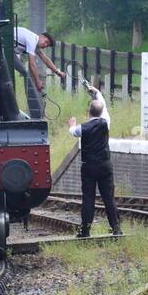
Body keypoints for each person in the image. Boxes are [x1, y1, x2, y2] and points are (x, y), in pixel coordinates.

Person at [68, 85, 121, 238]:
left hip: (89, 167)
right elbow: (102, 107)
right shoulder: (106, 122)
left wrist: (71, 124)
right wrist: (96, 92)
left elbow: (73, 132)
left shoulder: (82, 128)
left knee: (88, 199)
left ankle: (85, 231)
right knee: (108, 198)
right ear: (100, 112)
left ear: (88, 113)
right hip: (105, 166)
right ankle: (116, 229)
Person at [14, 26, 66, 119]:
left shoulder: (34, 42)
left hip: (11, 50)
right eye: (46, 42)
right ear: (41, 36)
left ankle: (33, 109)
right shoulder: (32, 39)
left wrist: (58, 72)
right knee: (25, 73)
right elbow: (32, 63)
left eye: (47, 45)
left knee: (25, 73)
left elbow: (45, 58)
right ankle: (33, 109)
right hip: (6, 48)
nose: (45, 45)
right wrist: (37, 81)